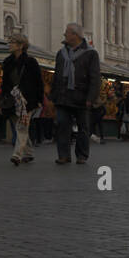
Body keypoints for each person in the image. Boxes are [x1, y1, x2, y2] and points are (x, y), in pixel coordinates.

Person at [50, 23, 100, 165]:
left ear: (75, 35)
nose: (64, 35)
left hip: (82, 97)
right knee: (62, 126)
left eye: (67, 32)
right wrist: (53, 96)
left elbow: (95, 78)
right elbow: (57, 75)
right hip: (63, 96)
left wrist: (91, 98)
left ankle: (82, 155)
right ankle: (64, 155)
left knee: (83, 128)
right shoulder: (61, 53)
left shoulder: (90, 53)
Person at [2, 34, 44, 165]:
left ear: (21, 46)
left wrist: (39, 99)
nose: (9, 44)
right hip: (12, 100)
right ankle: (29, 152)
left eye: (12, 42)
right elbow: (5, 82)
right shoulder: (7, 62)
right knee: (21, 127)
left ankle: (17, 155)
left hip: (27, 100)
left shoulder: (31, 62)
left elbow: (39, 82)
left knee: (21, 127)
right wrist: (3, 97)